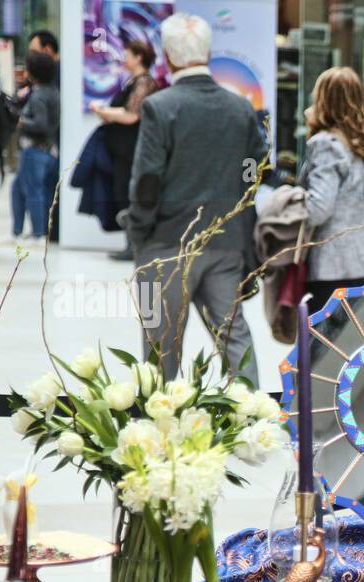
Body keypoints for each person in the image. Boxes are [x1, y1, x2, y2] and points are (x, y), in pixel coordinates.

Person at [128, 13, 266, 385]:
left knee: (160, 349)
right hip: (225, 244)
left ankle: (159, 429)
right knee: (235, 339)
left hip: (164, 246)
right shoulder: (240, 108)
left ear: (167, 57)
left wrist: (139, 233)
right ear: (207, 52)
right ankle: (255, 422)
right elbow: (256, 171)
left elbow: (147, 181)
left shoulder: (160, 107)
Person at [299, 67, 364, 308]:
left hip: (333, 265)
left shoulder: (326, 144)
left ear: (323, 100)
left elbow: (319, 209)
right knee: (357, 342)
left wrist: (290, 201)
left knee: (325, 342)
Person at [90, 39, 160, 260]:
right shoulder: (134, 82)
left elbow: (131, 115)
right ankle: (130, 244)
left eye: (128, 54)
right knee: (123, 195)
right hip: (123, 151)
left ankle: (135, 246)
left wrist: (104, 111)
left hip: (133, 152)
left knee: (131, 197)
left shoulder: (144, 83)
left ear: (139, 57)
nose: (124, 58)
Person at [11, 52, 59, 242]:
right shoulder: (52, 91)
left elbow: (40, 124)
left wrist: (20, 121)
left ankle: (37, 232)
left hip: (35, 149)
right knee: (23, 188)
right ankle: (21, 230)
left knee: (32, 191)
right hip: (47, 150)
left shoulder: (38, 96)